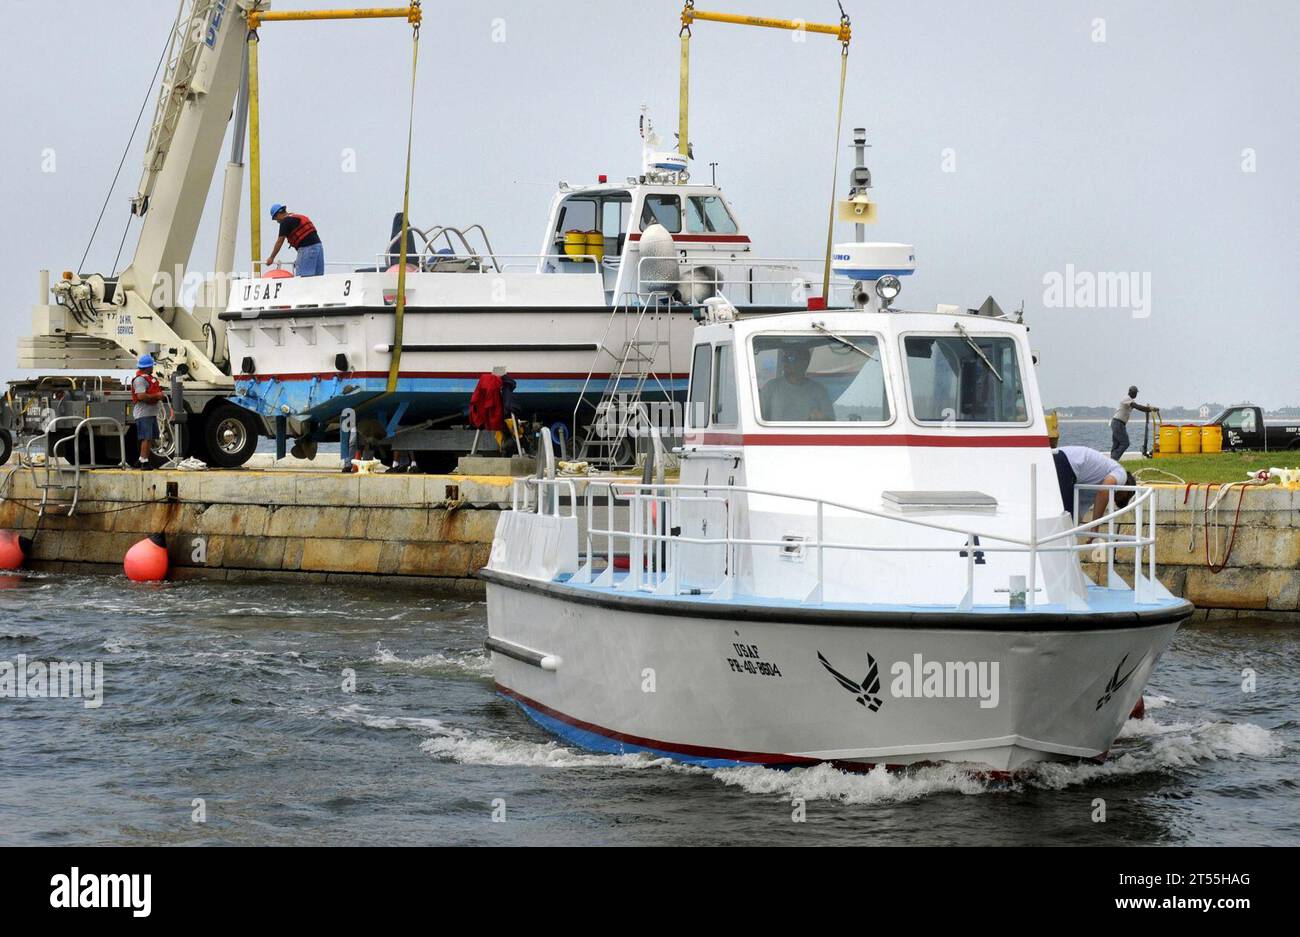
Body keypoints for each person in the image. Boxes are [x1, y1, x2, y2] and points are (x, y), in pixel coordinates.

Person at [1053, 445, 1133, 520]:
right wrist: (1095, 527)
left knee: (1064, 517)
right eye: (1120, 498)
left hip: (1056, 455)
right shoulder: (1121, 473)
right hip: (1066, 462)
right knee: (1066, 519)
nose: (1113, 498)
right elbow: (1105, 489)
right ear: (1126, 490)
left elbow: (1077, 514)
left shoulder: (1093, 487)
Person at [759, 346, 833, 421]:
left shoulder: (819, 391)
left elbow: (830, 421)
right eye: (784, 358)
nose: (785, 362)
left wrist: (820, 418)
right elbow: (760, 419)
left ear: (804, 363)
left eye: (790, 358)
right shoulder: (771, 387)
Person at [265, 203, 325, 277]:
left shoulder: (285, 222)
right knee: (318, 279)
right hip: (319, 248)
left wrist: (271, 257)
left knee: (303, 279)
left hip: (307, 249)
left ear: (278, 215)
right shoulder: (298, 217)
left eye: (276, 219)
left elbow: (279, 242)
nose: (277, 222)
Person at [130, 354, 167, 470]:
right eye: (151, 366)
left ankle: (142, 458)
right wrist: (157, 395)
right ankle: (144, 462)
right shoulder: (140, 380)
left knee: (149, 437)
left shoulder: (147, 378)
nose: (152, 368)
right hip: (143, 414)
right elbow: (141, 396)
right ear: (147, 367)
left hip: (150, 413)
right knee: (146, 437)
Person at [1110, 385, 1158, 460]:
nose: (1135, 394)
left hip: (1117, 423)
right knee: (1125, 443)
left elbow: (1138, 406)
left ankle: (1111, 461)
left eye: (1136, 393)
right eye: (1134, 393)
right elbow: (1137, 406)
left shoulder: (1130, 400)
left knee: (1116, 444)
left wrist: (1149, 409)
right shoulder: (1127, 399)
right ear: (1130, 392)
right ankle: (1114, 459)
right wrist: (1150, 409)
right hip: (1118, 423)